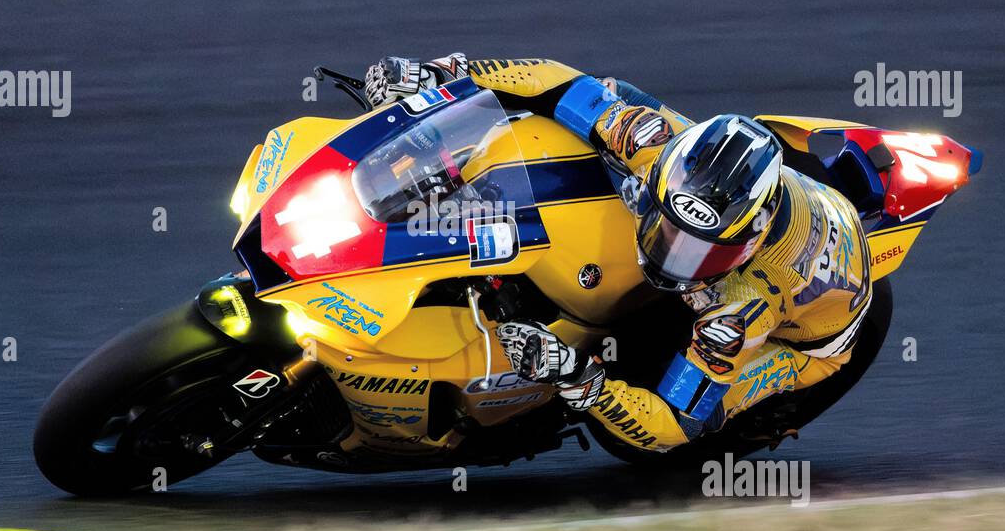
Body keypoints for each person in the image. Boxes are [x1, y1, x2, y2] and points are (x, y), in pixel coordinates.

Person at [363, 54, 872, 452]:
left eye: (699, 251)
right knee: (605, 97)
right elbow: (558, 81)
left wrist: (579, 378)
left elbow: (673, 426)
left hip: (810, 338)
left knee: (707, 417)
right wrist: (441, 74)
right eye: (670, 230)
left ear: (747, 242)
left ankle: (766, 403)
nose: (672, 255)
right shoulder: (657, 145)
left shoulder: (744, 309)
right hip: (787, 204)